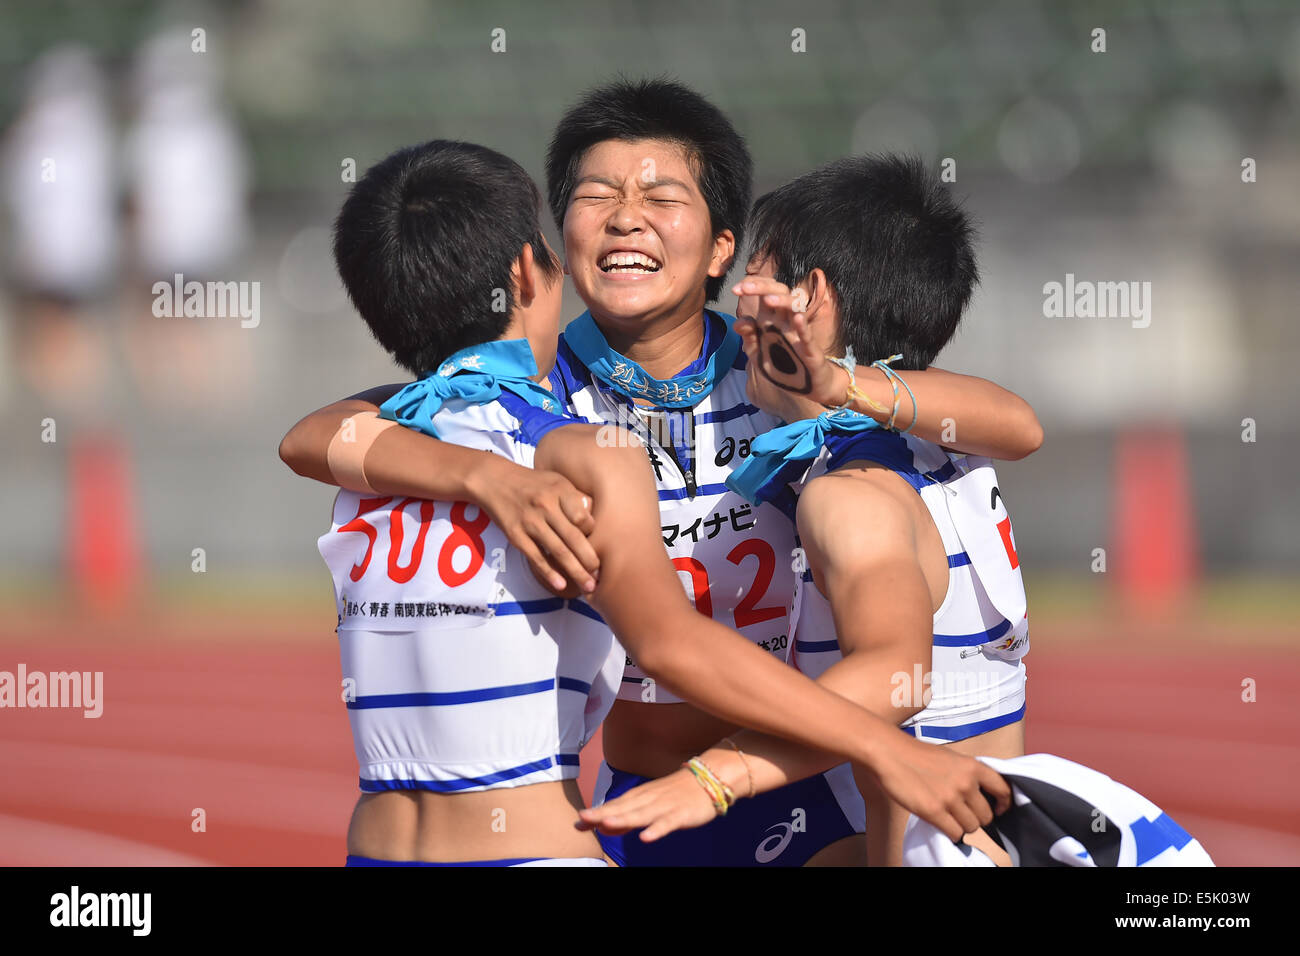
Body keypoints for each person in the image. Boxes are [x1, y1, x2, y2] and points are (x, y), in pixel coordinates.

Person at [281, 79, 1041, 866]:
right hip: (638, 797)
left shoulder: (776, 374)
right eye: (596, 193)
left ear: (721, 247)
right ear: (553, 250)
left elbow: (1012, 424)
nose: (624, 215)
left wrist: (838, 384)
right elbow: (319, 435)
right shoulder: (526, 396)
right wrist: (480, 475)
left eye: (661, 195)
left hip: (800, 786)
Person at [578, 154, 1030, 866]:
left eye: (758, 267)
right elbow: (1021, 424)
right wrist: (834, 382)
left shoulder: (847, 495)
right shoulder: (937, 435)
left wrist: (718, 775)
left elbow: (893, 676)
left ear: (809, 296)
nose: (738, 295)